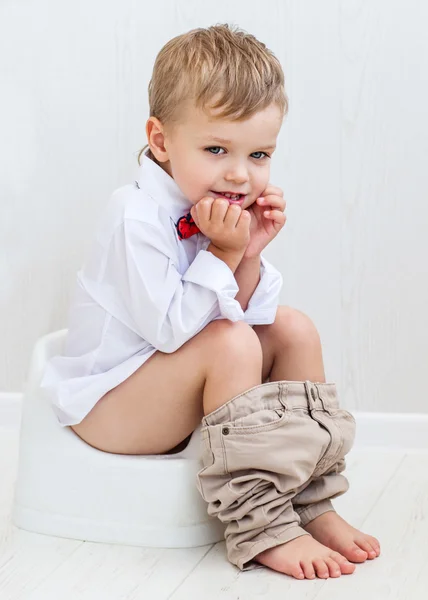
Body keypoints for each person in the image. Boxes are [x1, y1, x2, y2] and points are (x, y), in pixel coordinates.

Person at [41, 23, 380, 578]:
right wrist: (224, 254)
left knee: (294, 328)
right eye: (217, 148)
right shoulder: (135, 217)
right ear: (160, 141)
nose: (240, 174)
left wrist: (248, 254)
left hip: (168, 386)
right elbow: (175, 330)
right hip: (106, 406)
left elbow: (247, 315)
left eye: (260, 153)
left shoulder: (214, 203)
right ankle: (259, 525)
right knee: (229, 346)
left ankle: (311, 500)